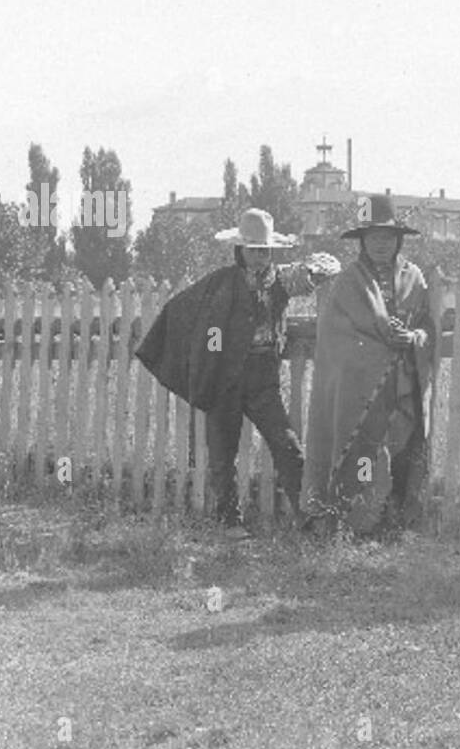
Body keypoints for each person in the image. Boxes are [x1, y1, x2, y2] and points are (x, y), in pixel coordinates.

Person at [135, 207, 339, 538]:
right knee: (221, 451)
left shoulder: (283, 280)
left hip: (262, 377)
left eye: (265, 250)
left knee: (286, 445)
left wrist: (311, 267)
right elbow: (180, 312)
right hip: (224, 376)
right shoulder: (219, 283)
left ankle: (309, 519)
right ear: (240, 250)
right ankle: (229, 520)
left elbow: (332, 264)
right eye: (253, 250)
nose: (259, 257)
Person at [301, 194, 434, 537]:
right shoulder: (349, 282)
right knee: (367, 457)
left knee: (401, 450)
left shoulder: (415, 278)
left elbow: (427, 327)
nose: (380, 244)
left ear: (398, 240)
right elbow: (336, 338)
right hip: (361, 393)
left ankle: (394, 519)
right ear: (362, 241)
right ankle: (355, 523)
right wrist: (378, 348)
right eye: (372, 237)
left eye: (387, 237)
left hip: (403, 388)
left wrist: (414, 338)